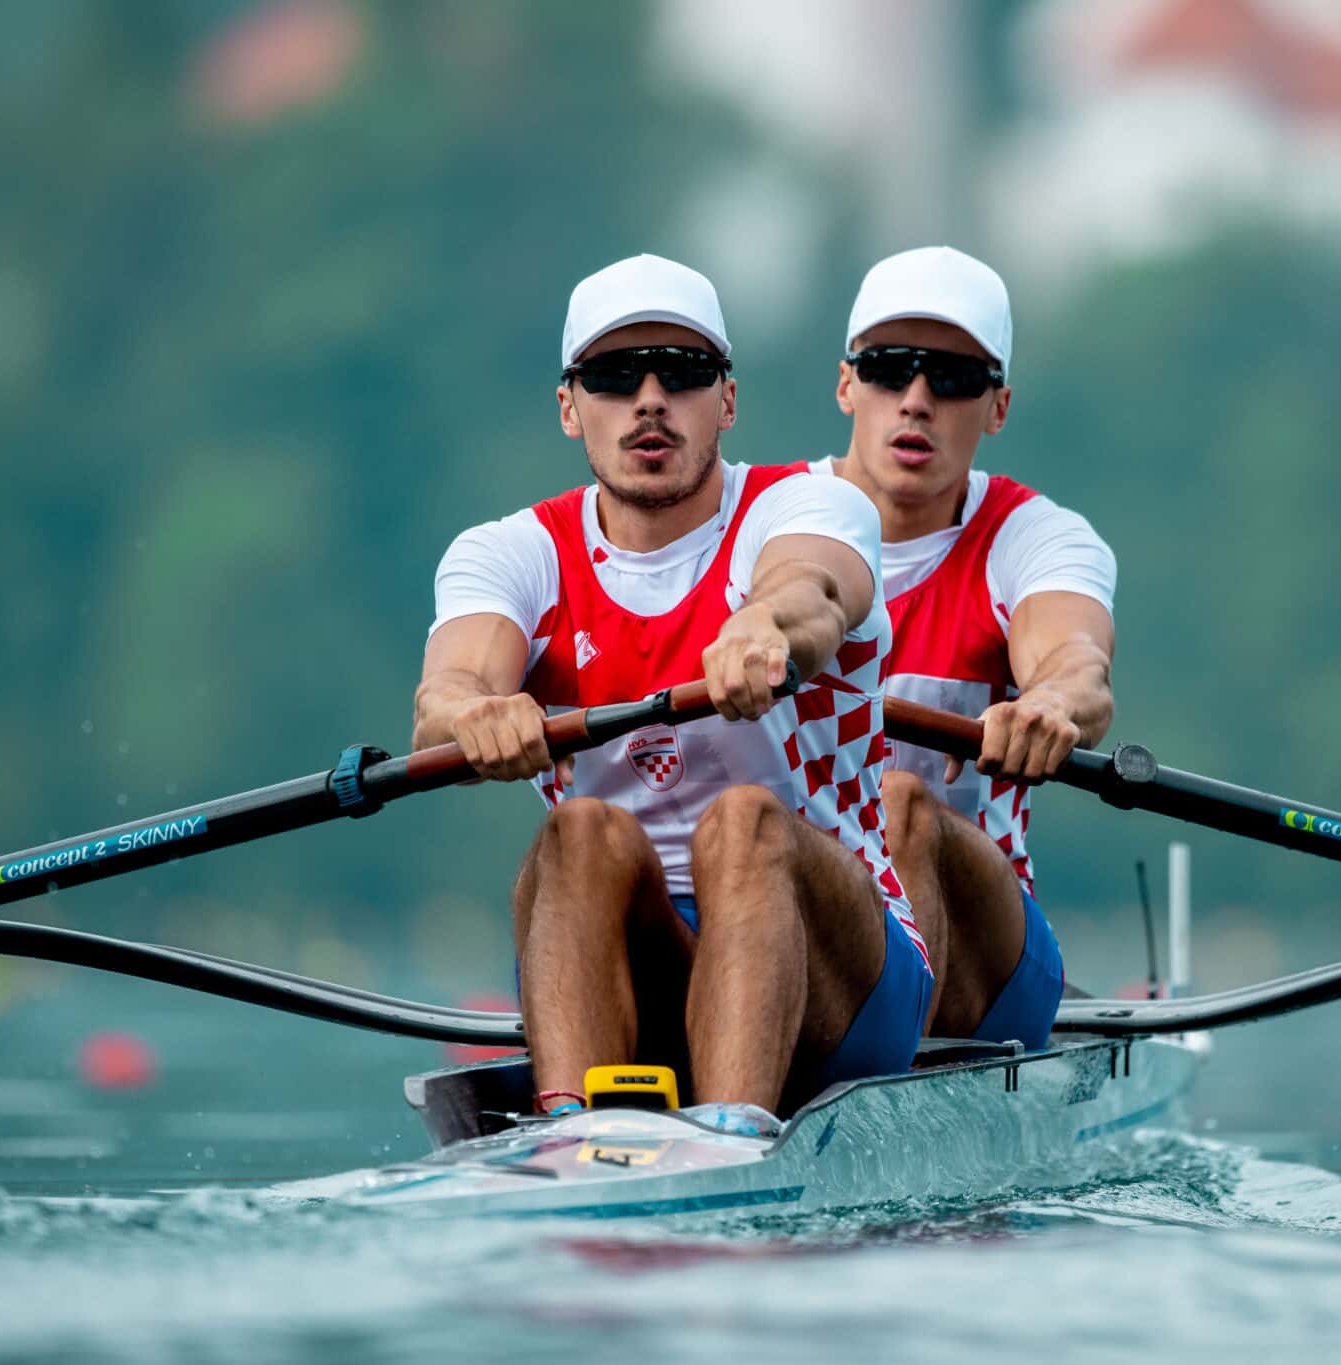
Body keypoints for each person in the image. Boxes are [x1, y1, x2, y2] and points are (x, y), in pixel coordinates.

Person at [413, 255, 930, 1136]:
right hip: (633, 950)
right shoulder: (508, 553)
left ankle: (730, 1136)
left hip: (844, 973)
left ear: (725, 401)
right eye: (615, 376)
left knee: (744, 820)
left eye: (681, 372)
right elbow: (444, 700)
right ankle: (574, 1136)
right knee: (576, 832)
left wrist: (765, 629)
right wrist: (475, 717)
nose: (649, 398)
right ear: (571, 406)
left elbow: (814, 591)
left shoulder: (810, 504)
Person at [812, 246, 1117, 1047]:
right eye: (889, 369)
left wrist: (1052, 700)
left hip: (989, 963)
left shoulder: (1034, 537)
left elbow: (1076, 661)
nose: (916, 400)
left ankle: (886, 1067)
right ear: (847, 384)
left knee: (902, 801)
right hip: (803, 927)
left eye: (952, 378)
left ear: (998, 406)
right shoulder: (769, 522)